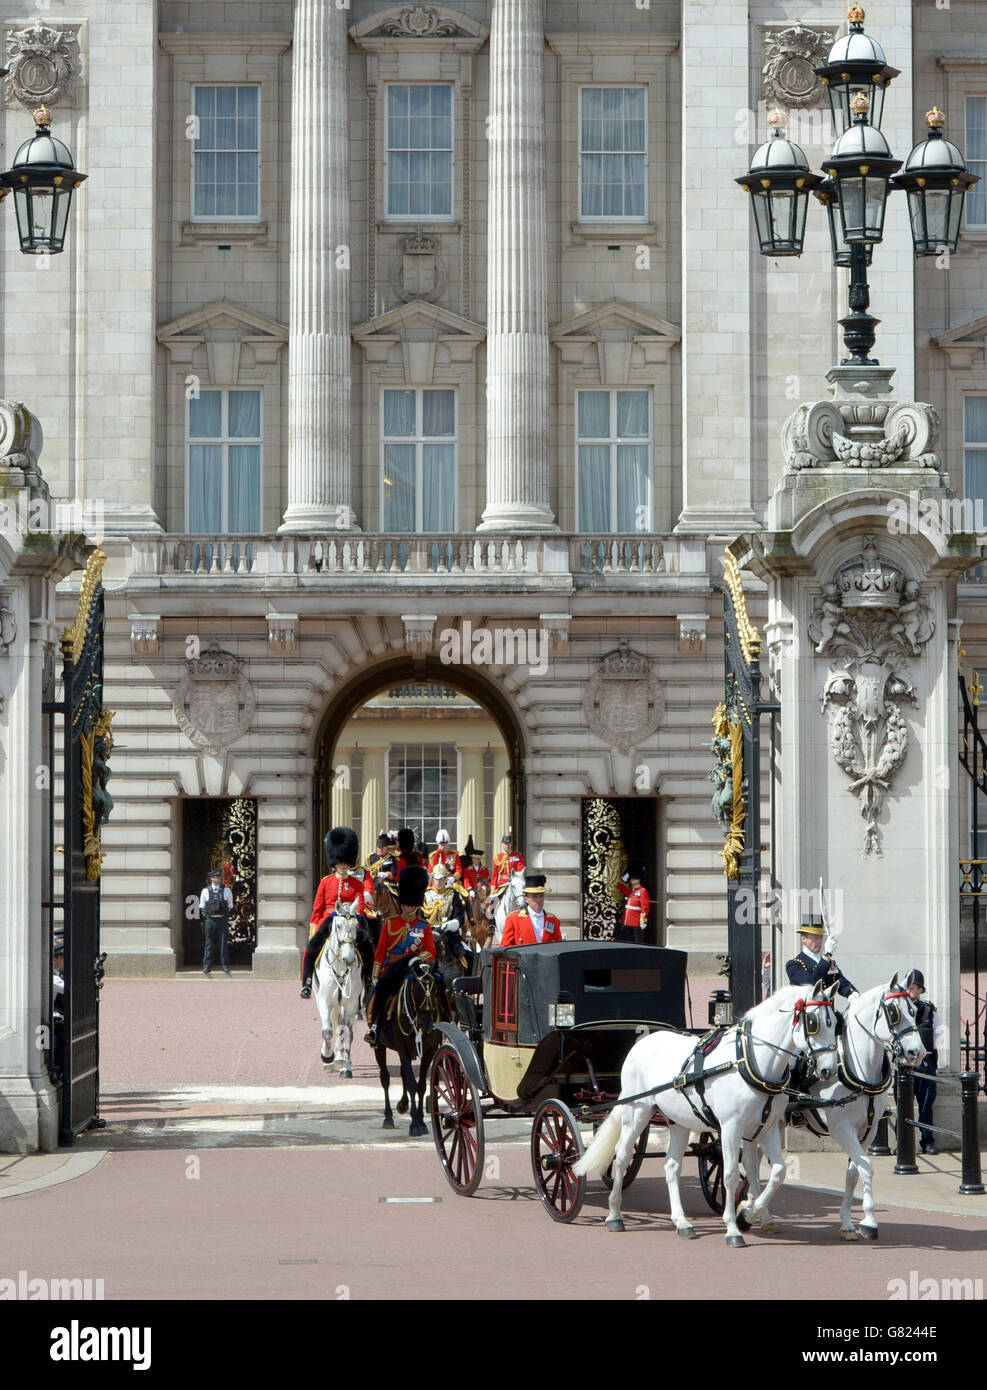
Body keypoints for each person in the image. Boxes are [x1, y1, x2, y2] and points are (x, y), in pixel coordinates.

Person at [365, 866, 436, 1047]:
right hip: (394, 967)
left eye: (413, 904)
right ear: (402, 902)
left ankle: (446, 1021)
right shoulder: (390, 924)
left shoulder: (424, 926)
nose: (409, 907)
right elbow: (380, 952)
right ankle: (375, 1028)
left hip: (416, 967)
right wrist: (375, 975)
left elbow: (431, 950)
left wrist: (419, 958)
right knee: (381, 990)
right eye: (407, 904)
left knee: (439, 984)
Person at [301, 826, 374, 999]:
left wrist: (355, 918)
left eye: (345, 863)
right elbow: (318, 907)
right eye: (339, 863)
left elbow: (361, 904)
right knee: (311, 949)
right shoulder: (325, 882)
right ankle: (307, 983)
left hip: (350, 921)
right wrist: (313, 927)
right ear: (334, 863)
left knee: (367, 949)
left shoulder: (356, 883)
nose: (342, 866)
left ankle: (369, 981)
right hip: (328, 920)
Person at [908, 969, 945, 1155]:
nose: (910, 991)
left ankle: (927, 1140)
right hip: (906, 1065)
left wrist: (933, 1063)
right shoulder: (899, 1008)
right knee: (904, 1106)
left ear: (921, 990)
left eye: (913, 987)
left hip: (926, 1063)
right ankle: (904, 1143)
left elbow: (938, 1034)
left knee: (925, 1105)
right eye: (908, 987)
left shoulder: (929, 1009)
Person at [785, 913, 856, 997]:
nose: (819, 941)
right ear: (803, 938)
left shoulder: (828, 963)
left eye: (820, 937)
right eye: (815, 937)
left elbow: (841, 982)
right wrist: (827, 956)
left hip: (828, 1009)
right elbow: (811, 984)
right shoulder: (794, 964)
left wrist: (853, 994)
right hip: (809, 1009)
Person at [501, 874, 563, 946]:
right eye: (534, 896)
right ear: (526, 899)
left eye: (541, 896)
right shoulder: (513, 920)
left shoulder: (553, 920)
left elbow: (559, 947)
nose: (538, 900)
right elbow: (505, 948)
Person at [200, 868, 234, 975]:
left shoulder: (226, 890)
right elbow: (202, 907)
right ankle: (207, 965)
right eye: (215, 877)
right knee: (209, 943)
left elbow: (230, 906)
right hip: (210, 920)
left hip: (222, 919)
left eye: (218, 877)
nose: (217, 878)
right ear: (211, 879)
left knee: (223, 943)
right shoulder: (205, 891)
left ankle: (225, 965)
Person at [616, 862, 650, 943]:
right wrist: (626, 875)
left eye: (633, 878)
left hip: (636, 922)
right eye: (631, 878)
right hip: (627, 921)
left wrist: (643, 921)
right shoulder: (630, 890)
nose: (631, 880)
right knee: (628, 942)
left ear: (638, 880)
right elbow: (619, 886)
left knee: (637, 943)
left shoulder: (643, 891)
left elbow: (645, 908)